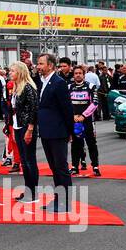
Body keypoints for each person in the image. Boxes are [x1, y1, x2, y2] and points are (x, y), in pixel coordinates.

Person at [34, 53, 74, 208]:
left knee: (61, 167)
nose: (38, 66)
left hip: (58, 131)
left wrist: (70, 131)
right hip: (46, 131)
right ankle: (58, 199)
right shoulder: (42, 82)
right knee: (54, 168)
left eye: (41, 64)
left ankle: (65, 202)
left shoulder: (59, 83)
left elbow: (67, 109)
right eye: (38, 63)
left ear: (50, 65)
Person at [3, 62, 39, 202]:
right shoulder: (15, 87)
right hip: (18, 126)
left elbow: (34, 109)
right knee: (24, 161)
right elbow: (13, 110)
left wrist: (30, 128)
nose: (10, 73)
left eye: (13, 71)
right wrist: (11, 126)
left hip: (26, 127)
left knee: (29, 160)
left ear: (20, 72)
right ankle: (28, 190)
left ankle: (33, 193)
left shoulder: (28, 87)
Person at [66, 64, 101, 176]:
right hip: (74, 120)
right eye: (76, 73)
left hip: (87, 120)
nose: (78, 75)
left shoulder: (91, 86)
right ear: (73, 75)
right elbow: (66, 103)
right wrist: (72, 116)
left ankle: (95, 166)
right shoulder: (69, 87)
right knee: (75, 144)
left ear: (84, 75)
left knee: (91, 143)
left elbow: (95, 103)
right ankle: (74, 166)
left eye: (80, 73)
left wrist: (84, 116)